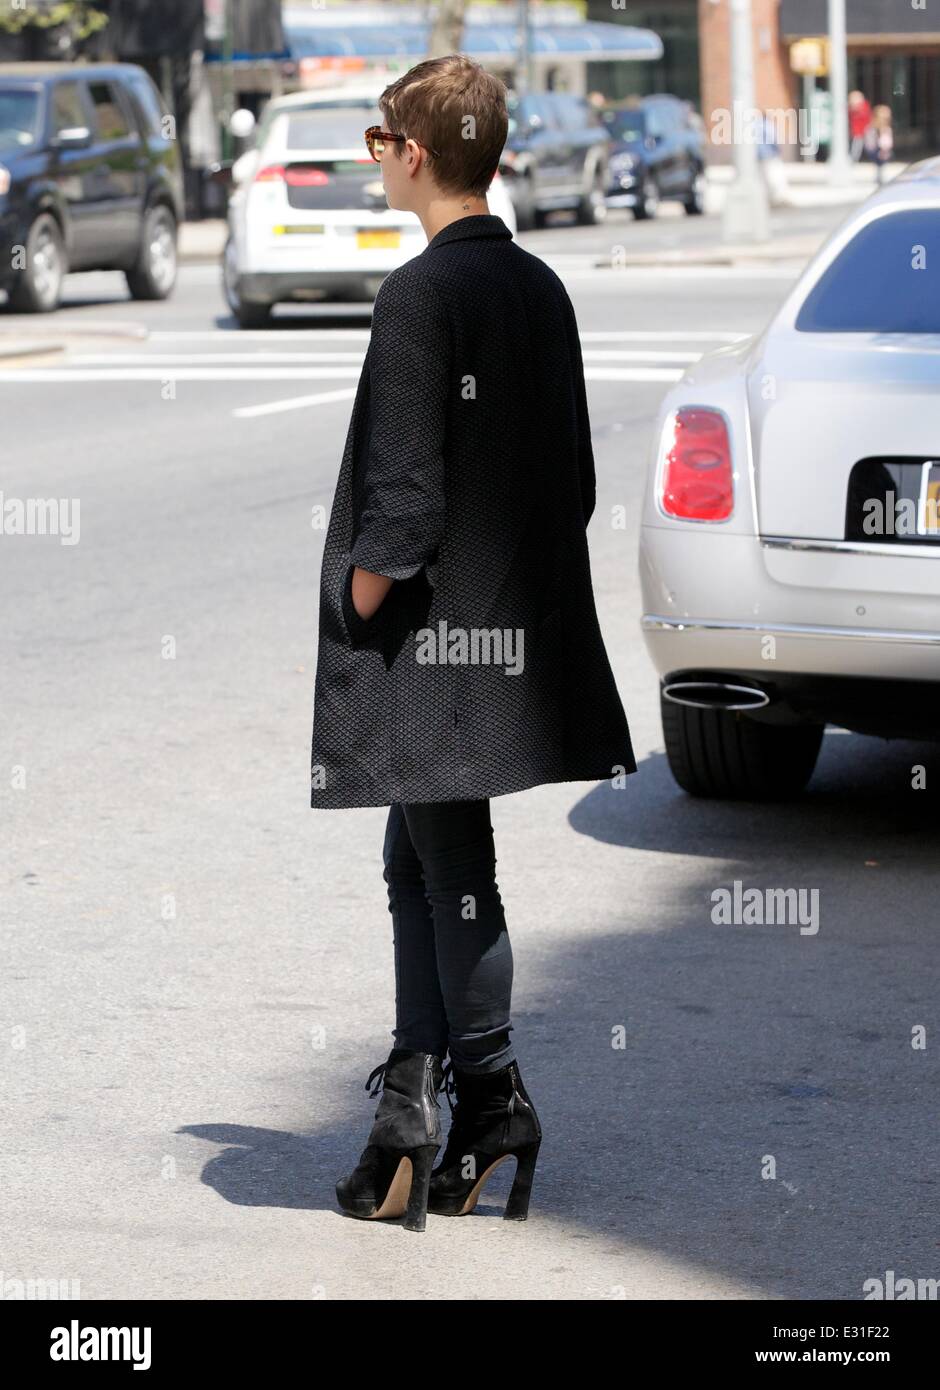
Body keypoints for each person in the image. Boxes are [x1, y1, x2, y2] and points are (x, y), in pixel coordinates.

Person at [309, 54, 637, 1231]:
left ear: (410, 152)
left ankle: (487, 1100)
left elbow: (400, 513)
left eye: (375, 139)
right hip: (500, 638)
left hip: (426, 639)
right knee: (421, 867)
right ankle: (409, 1110)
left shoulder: (418, 297)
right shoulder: (540, 287)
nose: (373, 159)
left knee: (455, 878)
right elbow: (577, 481)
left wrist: (355, 601)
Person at [868, 104, 894, 185]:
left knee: (882, 164)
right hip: (877, 147)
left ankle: (880, 176)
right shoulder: (874, 127)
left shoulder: (886, 127)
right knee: (879, 163)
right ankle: (879, 176)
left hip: (884, 147)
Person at [848, 89, 872, 161]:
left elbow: (867, 118)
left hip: (862, 131)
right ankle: (853, 158)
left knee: (860, 145)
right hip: (855, 131)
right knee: (856, 145)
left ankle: (854, 158)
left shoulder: (864, 107)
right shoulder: (850, 109)